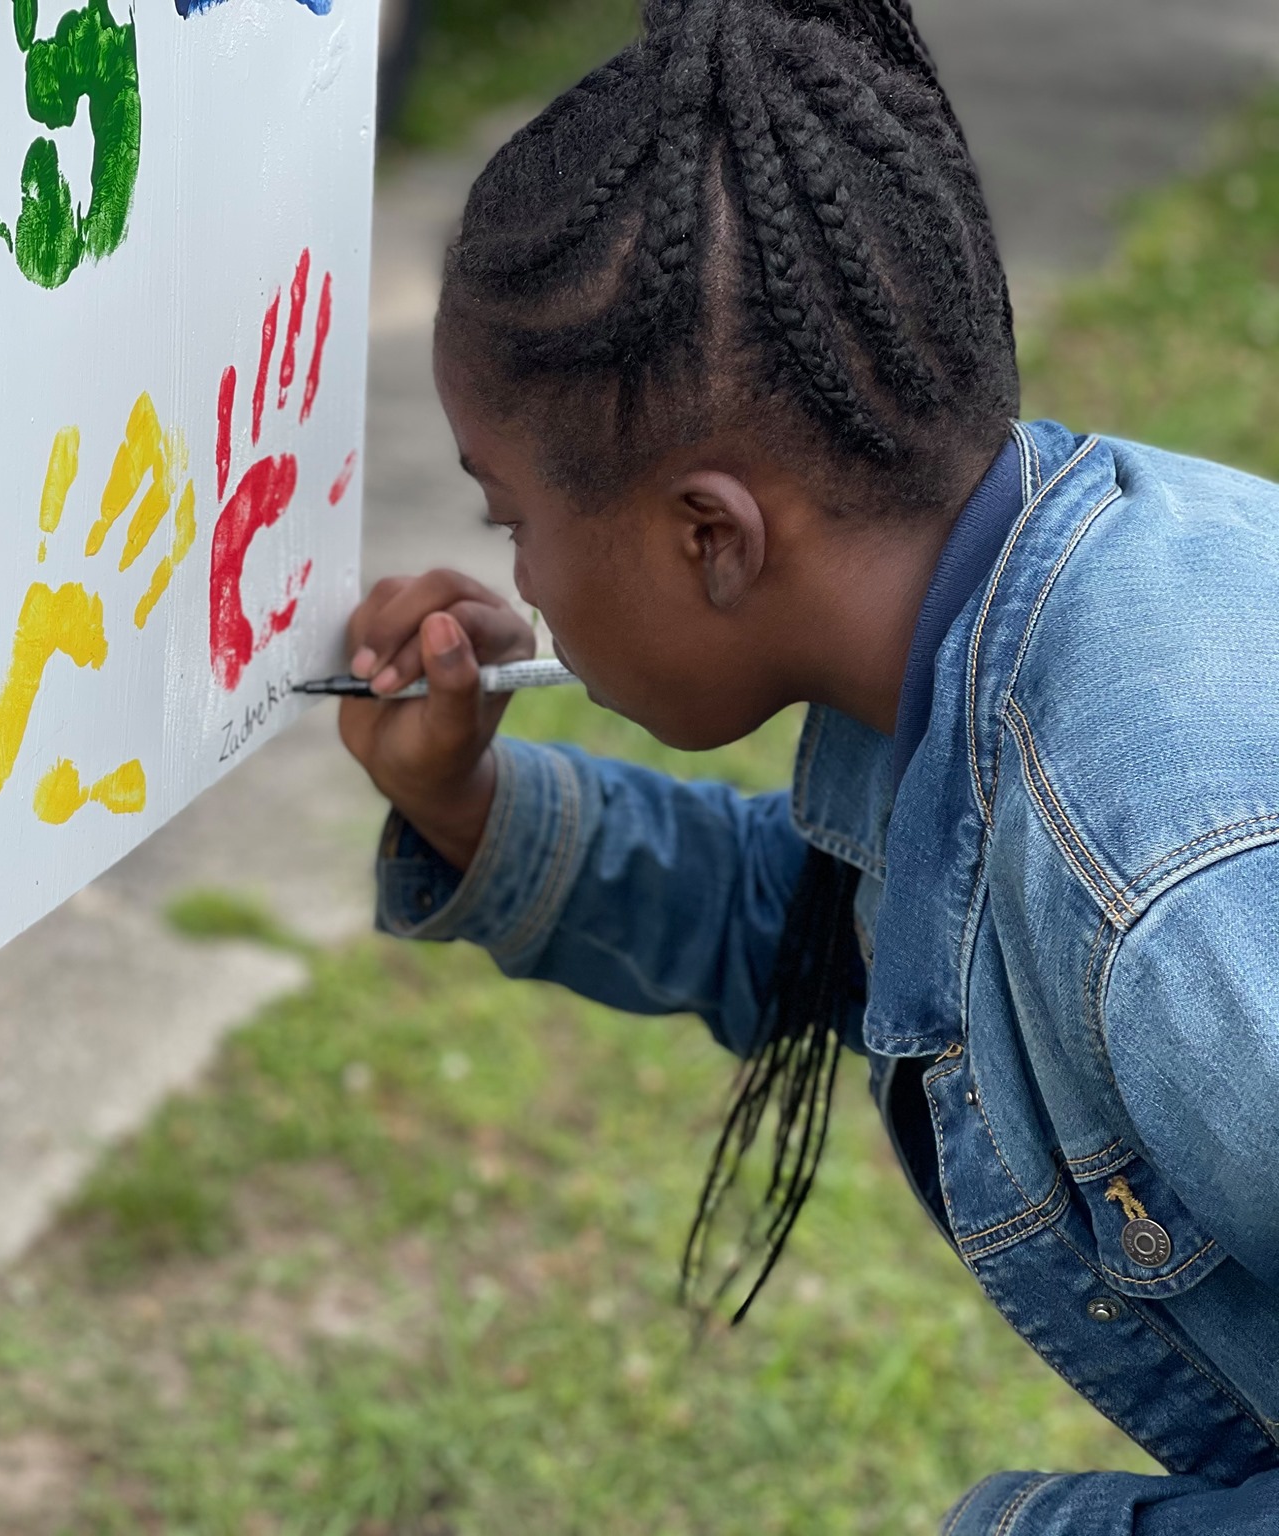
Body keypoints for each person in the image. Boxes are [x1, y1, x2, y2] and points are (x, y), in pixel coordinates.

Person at [338, 1, 1279, 1529]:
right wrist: (471, 805)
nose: (519, 574)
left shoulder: (1166, 904)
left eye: (510, 515)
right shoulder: (981, 616)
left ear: (711, 535)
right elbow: (824, 930)